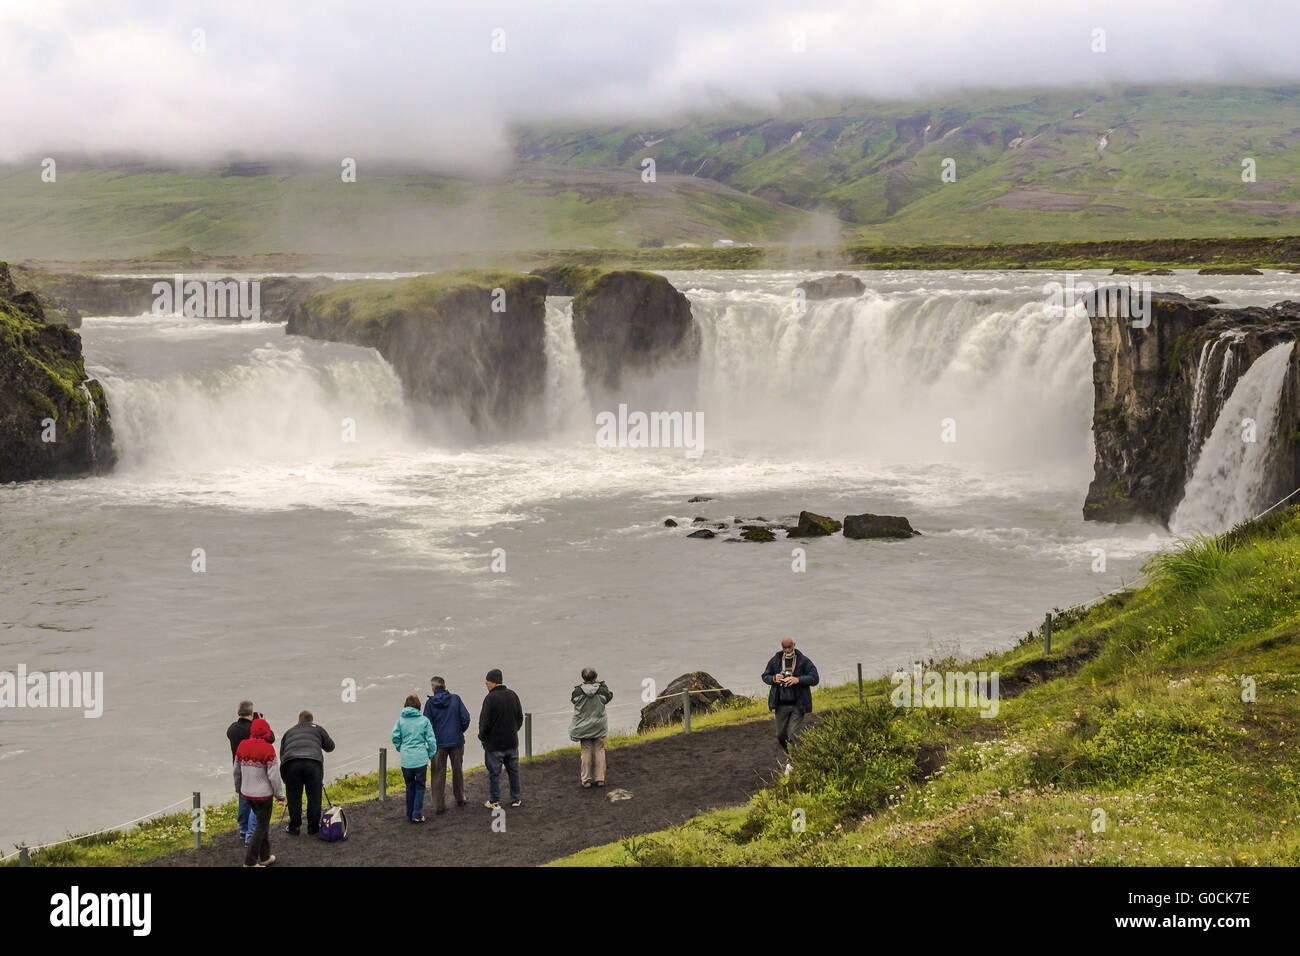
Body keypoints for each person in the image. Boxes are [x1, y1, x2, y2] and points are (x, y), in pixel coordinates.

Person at [233, 717, 284, 867]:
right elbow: (274, 776)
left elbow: (236, 771)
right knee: (261, 826)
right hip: (263, 796)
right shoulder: (268, 749)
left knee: (262, 824)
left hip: (246, 793)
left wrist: (238, 788)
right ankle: (250, 862)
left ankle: (265, 857)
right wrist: (279, 795)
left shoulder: (242, 745)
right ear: (266, 731)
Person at [761, 638, 820, 760]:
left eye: (790, 647)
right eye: (785, 648)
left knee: (793, 734)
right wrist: (773, 678)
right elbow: (765, 676)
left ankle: (795, 760)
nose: (788, 650)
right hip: (781, 704)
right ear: (782, 647)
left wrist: (798, 680)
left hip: (798, 705)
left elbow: (815, 678)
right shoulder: (776, 660)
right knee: (780, 735)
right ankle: (792, 755)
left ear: (794, 645)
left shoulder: (803, 660)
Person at [279, 710, 335, 836]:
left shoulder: (289, 732)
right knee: (314, 797)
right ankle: (313, 827)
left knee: (294, 798)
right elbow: (330, 747)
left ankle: (294, 827)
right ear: (311, 720)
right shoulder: (318, 729)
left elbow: (282, 755)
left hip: (292, 763)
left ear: (299, 721)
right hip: (313, 763)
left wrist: (285, 778)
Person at [226, 701, 275, 847]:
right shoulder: (252, 730)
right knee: (256, 801)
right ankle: (250, 835)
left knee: (243, 797)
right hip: (255, 767)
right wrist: (262, 722)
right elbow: (270, 738)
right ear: (251, 712)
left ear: (238, 713)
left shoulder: (231, 730)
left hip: (239, 766)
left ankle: (243, 828)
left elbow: (235, 729)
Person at [423, 676, 471, 814]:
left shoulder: (430, 704)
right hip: (456, 740)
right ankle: (460, 797)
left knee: (438, 773)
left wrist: (431, 738)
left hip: (438, 742)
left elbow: (426, 724)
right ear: (444, 686)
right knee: (458, 770)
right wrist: (459, 730)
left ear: (433, 688)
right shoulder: (456, 699)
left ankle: (439, 805)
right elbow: (466, 718)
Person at [478, 668, 523, 809]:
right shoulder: (513, 695)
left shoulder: (490, 699)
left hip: (494, 745)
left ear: (492, 682)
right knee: (514, 772)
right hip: (511, 742)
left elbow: (484, 722)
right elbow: (520, 718)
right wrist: (512, 731)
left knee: (494, 774)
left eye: (487, 683)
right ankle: (516, 799)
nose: (486, 685)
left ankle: (494, 801)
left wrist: (482, 738)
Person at [391, 694, 437, 823]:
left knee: (409, 786)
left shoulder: (400, 721)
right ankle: (417, 814)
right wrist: (430, 753)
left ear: (405, 706)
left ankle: (409, 812)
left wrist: (401, 748)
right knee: (420, 787)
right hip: (421, 759)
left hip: (406, 760)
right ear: (418, 706)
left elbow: (395, 737)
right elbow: (431, 740)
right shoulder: (424, 721)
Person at [569, 668, 613, 788]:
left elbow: (573, 701)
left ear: (583, 677)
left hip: (583, 727)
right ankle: (600, 779)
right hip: (599, 725)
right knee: (599, 750)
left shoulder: (577, 691)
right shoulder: (602, 690)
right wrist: (601, 683)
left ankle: (586, 780)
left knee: (585, 751)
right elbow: (609, 697)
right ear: (595, 677)